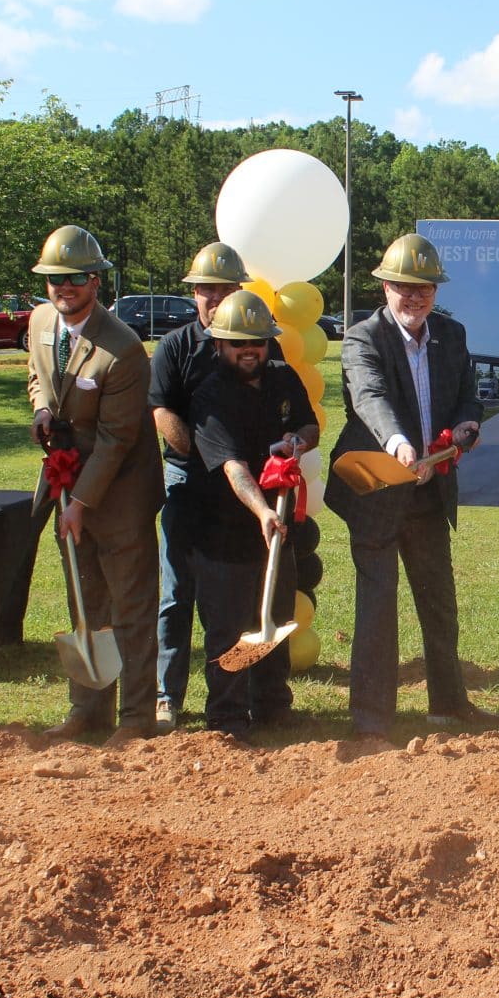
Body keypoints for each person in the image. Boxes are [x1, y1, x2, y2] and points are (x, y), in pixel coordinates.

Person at [323, 232, 496, 738]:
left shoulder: (452, 335)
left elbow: (468, 395)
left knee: (438, 600)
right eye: (404, 286)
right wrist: (398, 443)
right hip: (378, 489)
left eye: (425, 287)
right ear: (385, 287)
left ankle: (448, 705)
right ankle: (372, 719)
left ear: (435, 292)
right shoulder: (361, 339)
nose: (415, 297)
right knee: (378, 603)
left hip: (427, 492)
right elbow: (369, 397)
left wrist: (466, 425)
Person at [26, 224, 165, 746]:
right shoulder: (42, 322)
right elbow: (37, 374)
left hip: (120, 492)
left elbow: (116, 440)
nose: (65, 288)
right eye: (55, 279)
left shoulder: (123, 350)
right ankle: (87, 709)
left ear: (96, 282)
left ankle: (136, 717)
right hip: (68, 484)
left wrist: (81, 502)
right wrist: (41, 407)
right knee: (84, 601)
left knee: (129, 606)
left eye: (77, 279)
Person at [187, 292, 319, 737]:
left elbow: (310, 426)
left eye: (258, 343)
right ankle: (225, 715)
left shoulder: (283, 377)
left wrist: (296, 442)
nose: (250, 351)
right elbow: (233, 467)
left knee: (276, 618)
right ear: (219, 345)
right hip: (223, 530)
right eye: (239, 343)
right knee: (228, 626)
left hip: (276, 530)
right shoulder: (208, 396)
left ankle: (272, 707)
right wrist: (261, 509)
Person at [150, 241, 246, 726]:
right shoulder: (175, 346)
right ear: (194, 294)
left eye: (224, 289)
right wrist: (198, 450)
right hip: (185, 478)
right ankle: (167, 695)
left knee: (226, 598)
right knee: (175, 594)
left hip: (236, 487)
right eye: (206, 289)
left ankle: (227, 702)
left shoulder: (250, 344)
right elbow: (161, 408)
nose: (214, 298)